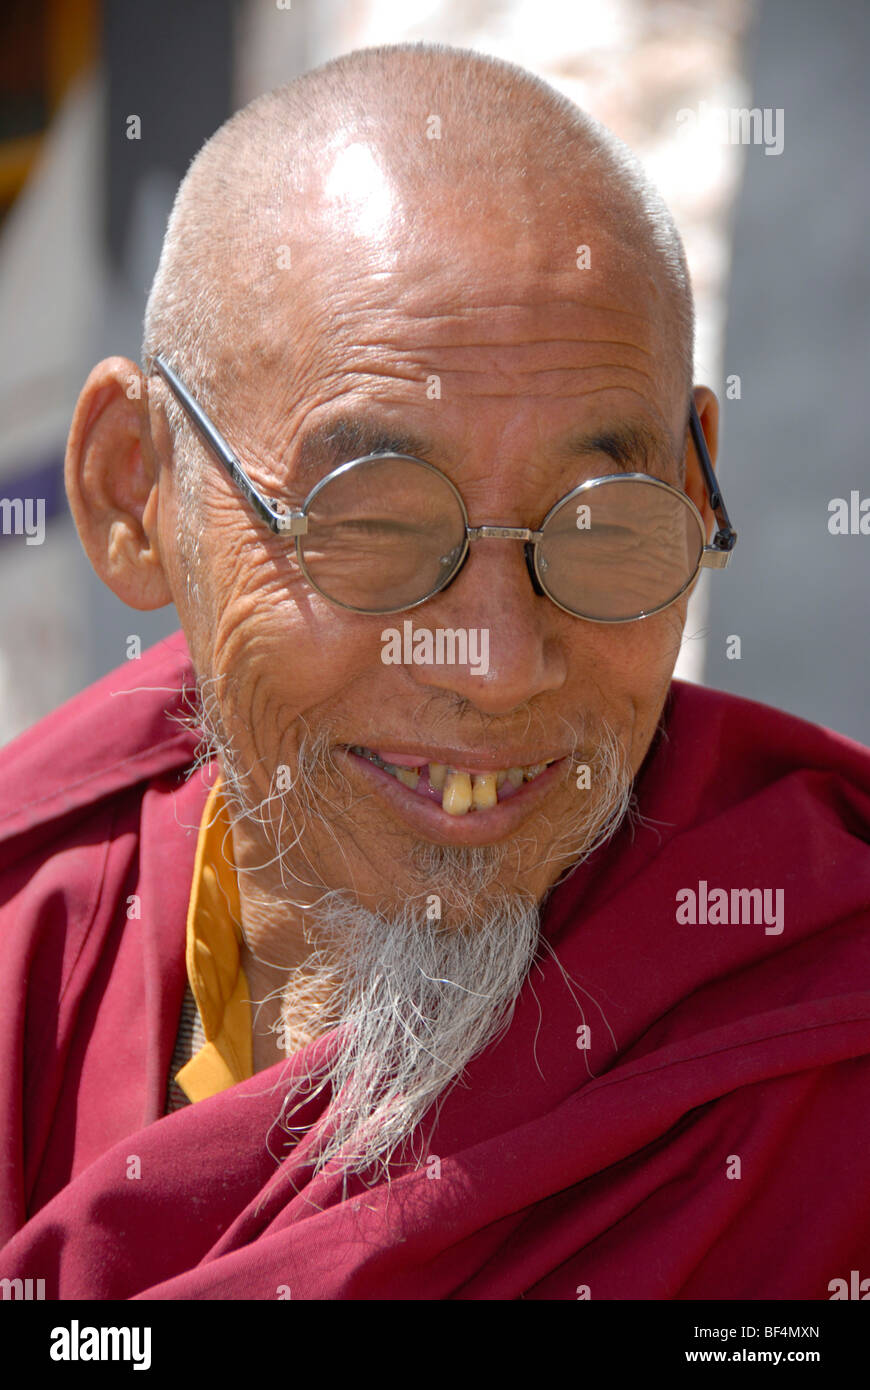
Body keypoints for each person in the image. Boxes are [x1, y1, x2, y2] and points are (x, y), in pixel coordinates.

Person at [1, 42, 868, 1301]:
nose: (502, 667)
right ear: (137, 490)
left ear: (691, 488)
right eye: (377, 521)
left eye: (599, 520)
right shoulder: (34, 939)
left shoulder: (817, 1025)